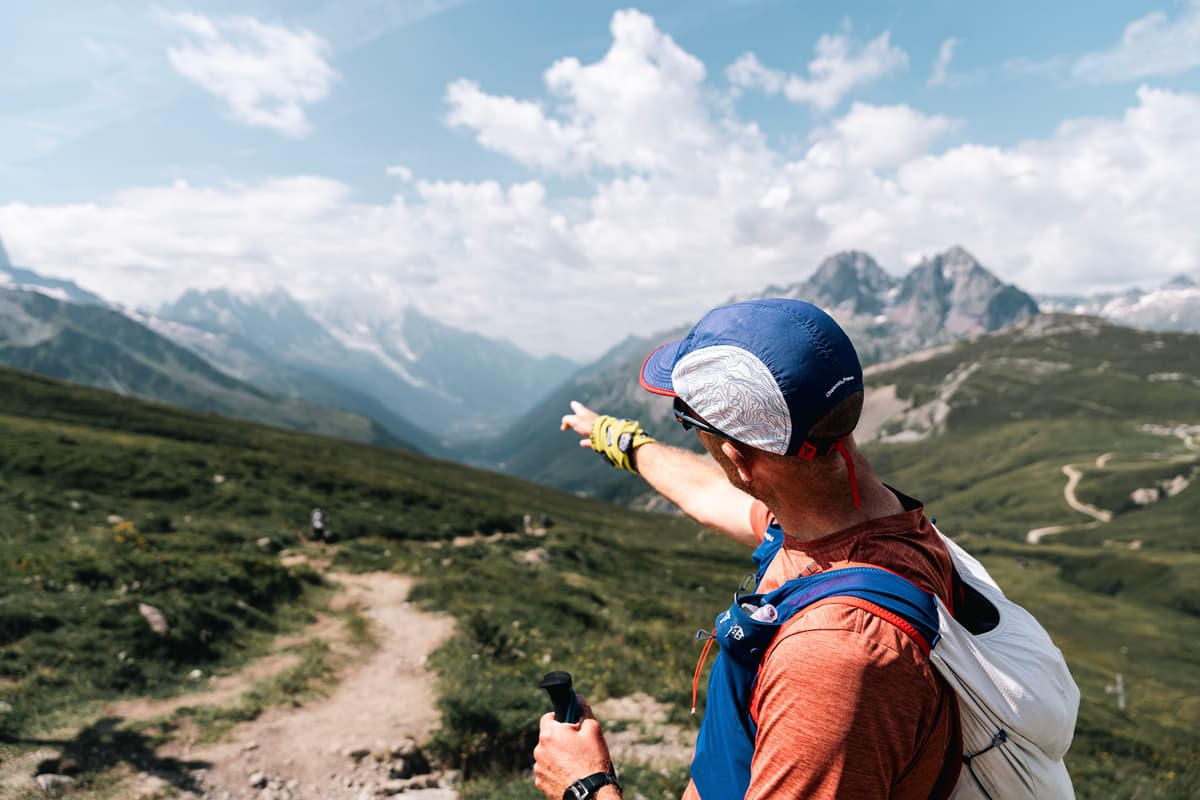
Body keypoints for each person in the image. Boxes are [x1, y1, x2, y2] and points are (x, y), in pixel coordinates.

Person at [534, 299, 960, 800]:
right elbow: (710, 494)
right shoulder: (856, 521)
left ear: (737, 458)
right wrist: (624, 442)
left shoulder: (834, 658)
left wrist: (584, 783)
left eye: (688, 420)